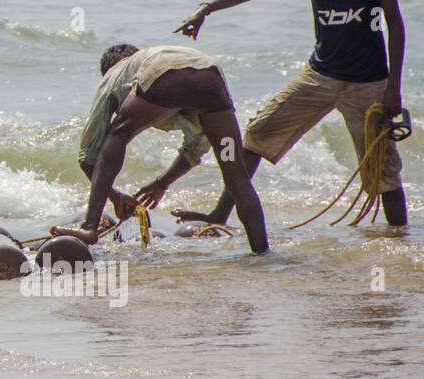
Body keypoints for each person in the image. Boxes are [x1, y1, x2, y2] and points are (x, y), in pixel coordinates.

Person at [173, 0, 407, 227]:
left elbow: (394, 24)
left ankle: (400, 239)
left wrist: (393, 90)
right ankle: (220, 215)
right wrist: (207, 8)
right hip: (320, 76)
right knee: (257, 133)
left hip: (368, 84)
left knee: (383, 171)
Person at [51, 44, 269, 252]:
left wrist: (115, 197)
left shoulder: (114, 75)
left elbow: (88, 155)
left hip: (165, 75)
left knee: (117, 135)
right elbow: (195, 148)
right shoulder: (148, 58)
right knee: (235, 173)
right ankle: (261, 252)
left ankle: (89, 228)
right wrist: (161, 184)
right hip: (210, 79)